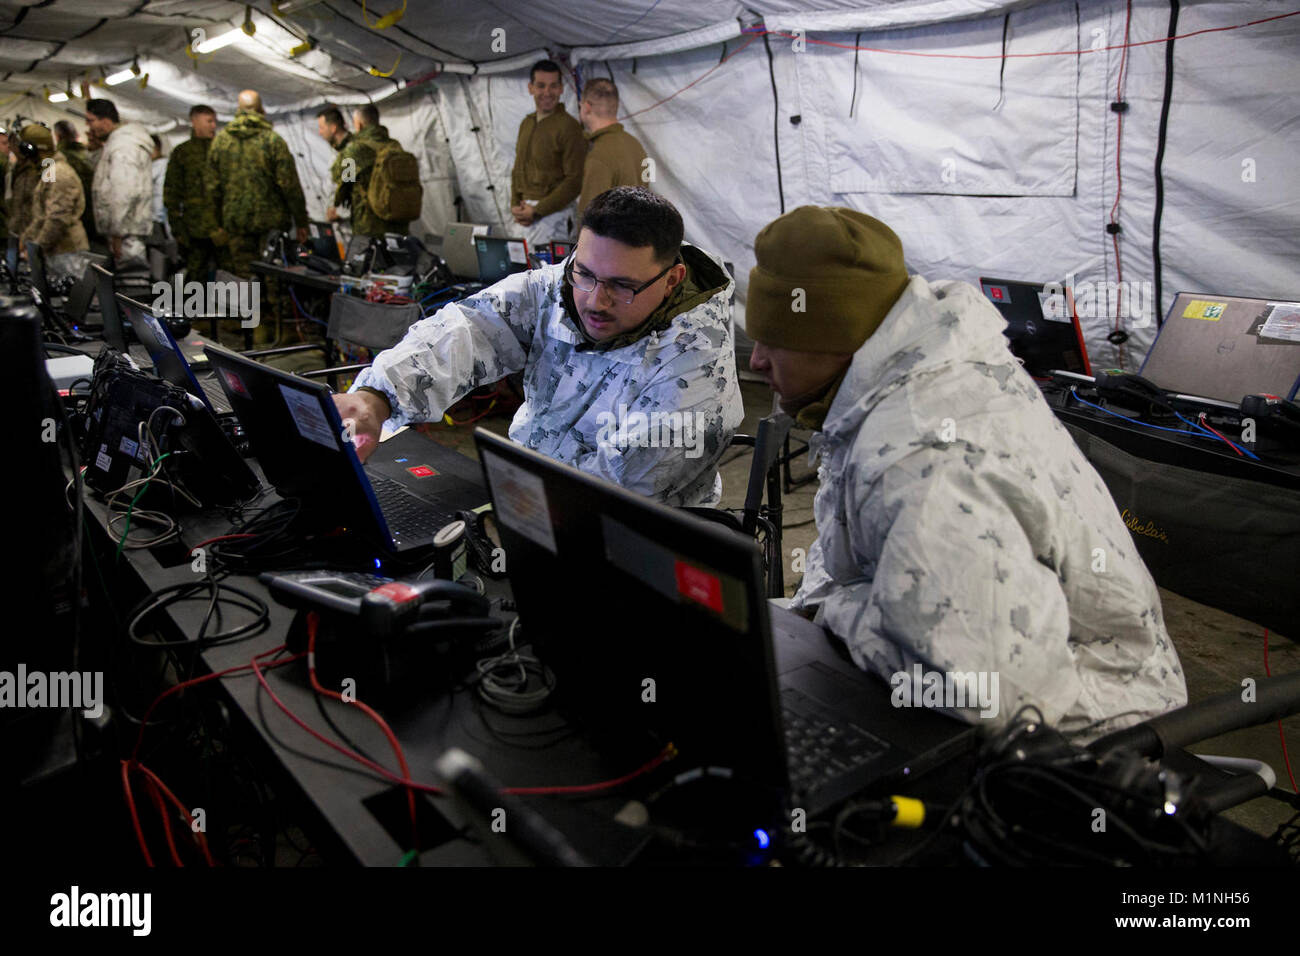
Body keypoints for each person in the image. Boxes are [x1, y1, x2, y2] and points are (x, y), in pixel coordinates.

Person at [745, 206, 1187, 739]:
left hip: (1083, 731)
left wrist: (838, 610)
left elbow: (986, 692)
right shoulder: (920, 366)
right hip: (1010, 686)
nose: (756, 361)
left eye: (776, 340)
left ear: (840, 340)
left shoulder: (923, 460)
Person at [335, 186, 743, 507]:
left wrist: (512, 511)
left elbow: (625, 485)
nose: (594, 301)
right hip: (530, 497)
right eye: (585, 273)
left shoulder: (695, 363)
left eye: (622, 286)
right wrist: (378, 397)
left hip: (632, 539)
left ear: (672, 280)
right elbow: (471, 327)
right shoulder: (562, 287)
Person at [207, 89, 309, 278]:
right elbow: (289, 185)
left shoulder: (220, 142)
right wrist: (301, 221)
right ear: (261, 109)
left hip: (236, 223)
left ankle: (252, 308)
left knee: (244, 278)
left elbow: (212, 188)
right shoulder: (273, 141)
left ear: (238, 109)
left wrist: (216, 224)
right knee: (273, 277)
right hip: (271, 223)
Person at [510, 59, 584, 249]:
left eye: (553, 86)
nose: (547, 93)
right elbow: (517, 169)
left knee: (549, 276)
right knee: (522, 274)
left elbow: (575, 181)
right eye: (541, 86)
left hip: (553, 218)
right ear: (530, 88)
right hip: (524, 216)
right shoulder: (526, 123)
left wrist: (538, 210)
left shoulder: (569, 127)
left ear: (561, 89)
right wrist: (515, 205)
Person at [321, 103, 409, 238]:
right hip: (397, 222)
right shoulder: (394, 145)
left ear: (359, 125)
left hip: (369, 227)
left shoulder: (355, 150)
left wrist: (337, 210)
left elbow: (344, 181)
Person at [86, 98, 153, 266]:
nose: (89, 126)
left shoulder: (123, 147)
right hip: (125, 230)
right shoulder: (117, 144)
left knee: (130, 284)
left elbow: (124, 191)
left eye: (91, 120)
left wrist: (117, 232)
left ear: (106, 120)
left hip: (126, 234)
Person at [576, 78, 648, 220]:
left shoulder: (599, 155)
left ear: (587, 107)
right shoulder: (636, 146)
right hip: (637, 236)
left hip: (611, 240)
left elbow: (589, 219)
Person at [163, 105, 220, 280]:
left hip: (223, 228)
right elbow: (171, 193)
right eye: (209, 121)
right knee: (195, 277)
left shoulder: (223, 150)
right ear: (194, 122)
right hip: (194, 230)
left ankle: (227, 308)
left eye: (214, 121)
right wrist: (177, 229)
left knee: (228, 279)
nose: (213, 126)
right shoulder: (182, 152)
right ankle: (194, 308)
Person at [17, 124, 88, 258]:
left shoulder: (58, 173)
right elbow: (41, 216)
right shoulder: (49, 170)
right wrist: (25, 240)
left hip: (66, 252)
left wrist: (36, 249)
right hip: (58, 251)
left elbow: (57, 219)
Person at [54, 120, 97, 244]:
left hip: (69, 219)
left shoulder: (57, 158)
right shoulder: (87, 155)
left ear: (57, 136)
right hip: (91, 215)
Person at [7, 127, 40, 243]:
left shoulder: (32, 172)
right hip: (16, 230)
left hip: (27, 232)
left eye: (12, 144)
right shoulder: (18, 168)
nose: (9, 147)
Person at [149, 133, 169, 240]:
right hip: (157, 218)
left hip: (158, 219)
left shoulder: (159, 167)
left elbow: (160, 196)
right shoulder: (157, 166)